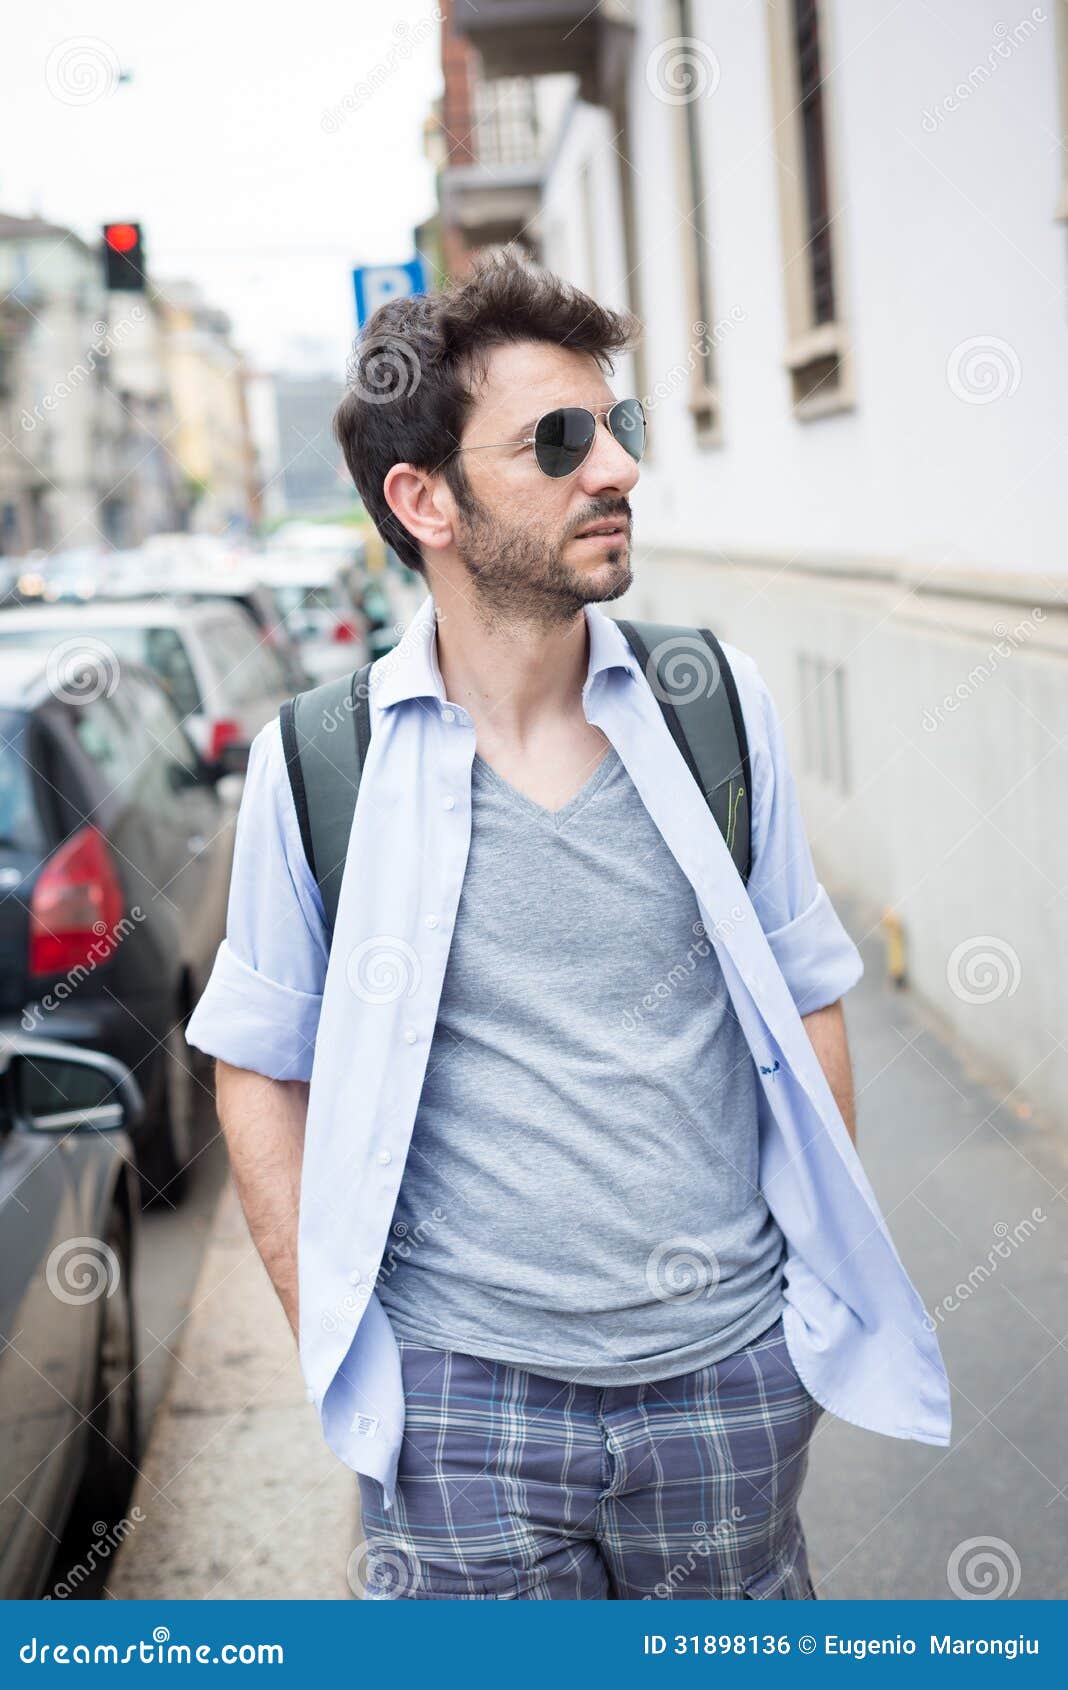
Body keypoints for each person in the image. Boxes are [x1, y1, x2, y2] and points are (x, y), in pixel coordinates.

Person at [186, 247, 949, 1601]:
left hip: (725, 1383)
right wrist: (344, 1346)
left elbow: (806, 988)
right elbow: (258, 1058)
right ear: (421, 498)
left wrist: (798, 1316)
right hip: (460, 1413)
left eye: (620, 426)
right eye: (558, 440)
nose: (616, 470)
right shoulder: (320, 761)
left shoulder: (716, 703)